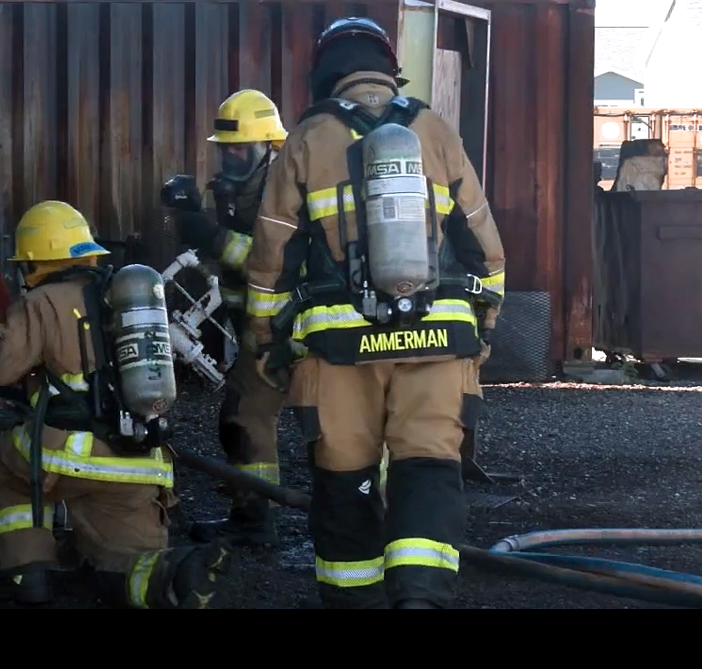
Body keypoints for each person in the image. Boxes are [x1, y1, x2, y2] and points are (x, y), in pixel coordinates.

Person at [241, 17, 506, 609]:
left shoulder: (306, 140)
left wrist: (267, 343)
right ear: (388, 70)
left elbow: (271, 259)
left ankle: (354, 598)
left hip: (340, 349)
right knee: (428, 468)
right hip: (439, 337)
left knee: (346, 478)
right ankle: (419, 596)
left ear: (324, 74)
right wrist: (482, 327)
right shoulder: (436, 131)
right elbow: (485, 249)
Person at [0, 200, 233, 608]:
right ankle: (171, 576)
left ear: (36, 262)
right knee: (121, 567)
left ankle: (25, 573)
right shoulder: (122, 298)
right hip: (141, 462)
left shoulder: (45, 302)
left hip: (68, 457)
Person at [161, 89, 291, 547]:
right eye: (226, 147)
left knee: (251, 417)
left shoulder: (286, 189)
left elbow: (269, 258)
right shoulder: (235, 186)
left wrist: (213, 236)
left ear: (269, 146)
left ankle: (259, 521)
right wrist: (194, 215)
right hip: (254, 325)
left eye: (242, 147)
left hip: (292, 328)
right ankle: (254, 511)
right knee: (240, 417)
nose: (232, 155)